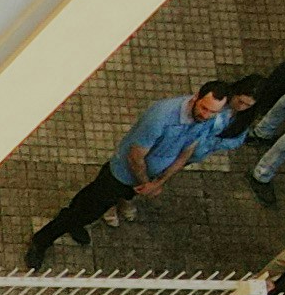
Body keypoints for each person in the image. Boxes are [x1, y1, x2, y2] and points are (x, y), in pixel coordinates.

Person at [27, 79, 250, 262]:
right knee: (88, 206)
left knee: (92, 205)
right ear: (195, 98)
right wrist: (147, 184)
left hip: (145, 179)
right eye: (204, 108)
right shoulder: (162, 116)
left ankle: (77, 222)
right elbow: (135, 155)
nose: (206, 115)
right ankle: (43, 239)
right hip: (122, 175)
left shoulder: (207, 121)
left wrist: (159, 182)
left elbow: (186, 152)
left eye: (213, 112)